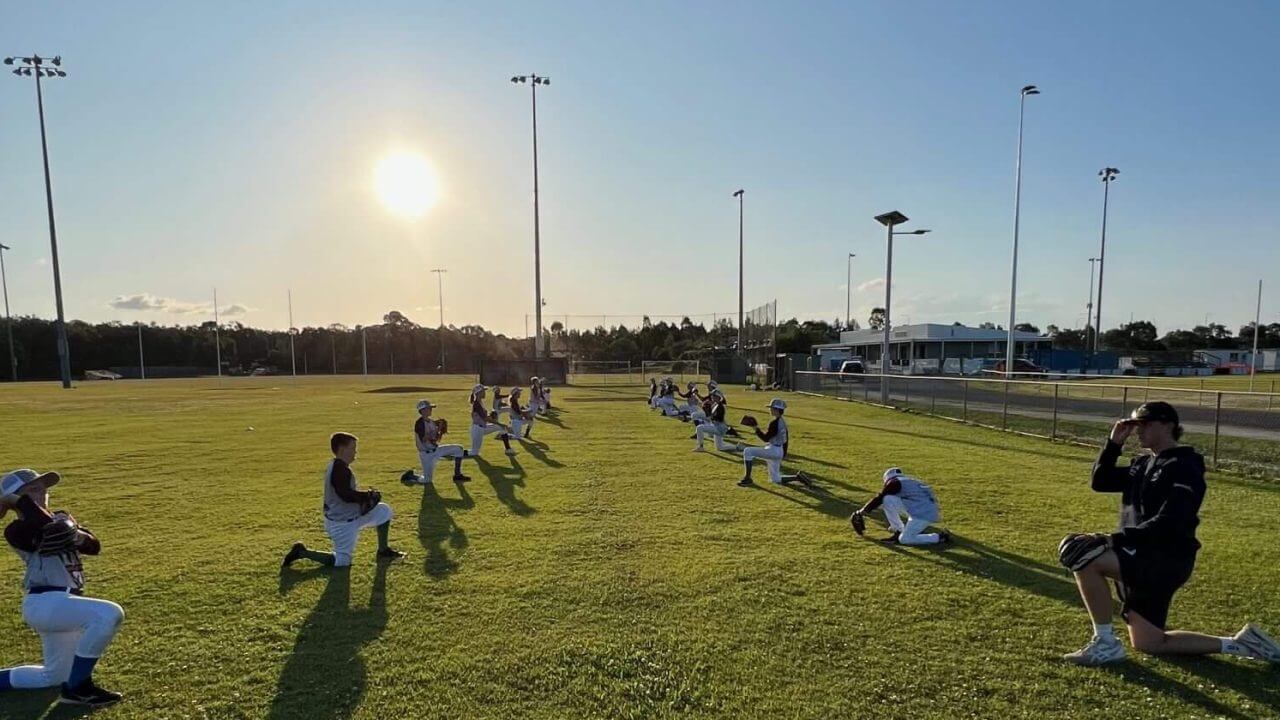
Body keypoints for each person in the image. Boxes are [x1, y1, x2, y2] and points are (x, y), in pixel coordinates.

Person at [1061, 401, 1280, 666]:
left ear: (1168, 425)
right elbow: (1101, 481)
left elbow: (1171, 520)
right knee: (1149, 642)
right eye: (1134, 425)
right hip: (1143, 553)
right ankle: (1240, 644)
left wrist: (1113, 539)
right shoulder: (1143, 464)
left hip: (1165, 559)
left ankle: (1105, 644)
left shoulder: (1184, 465)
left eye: (1144, 424)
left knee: (1085, 556)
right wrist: (1113, 444)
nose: (1137, 431)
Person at [1, 469, 125, 707]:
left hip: (64, 606)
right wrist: (16, 503)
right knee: (109, 614)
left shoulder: (58, 516)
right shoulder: (16, 529)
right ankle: (78, 687)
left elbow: (93, 546)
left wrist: (74, 532)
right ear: (15, 498)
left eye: (43, 487)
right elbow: (51, 529)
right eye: (32, 490)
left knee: (54, 676)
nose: (43, 492)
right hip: (45, 602)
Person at [282, 432, 405, 570]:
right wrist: (368, 496)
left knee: (383, 511)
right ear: (342, 449)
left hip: (347, 515)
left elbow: (345, 491)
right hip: (341, 522)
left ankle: (383, 551)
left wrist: (368, 497)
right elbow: (345, 495)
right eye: (352, 448)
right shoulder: (340, 469)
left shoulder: (337, 465)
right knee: (342, 562)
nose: (355, 451)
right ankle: (302, 552)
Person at [850, 468, 950, 545]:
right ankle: (898, 529)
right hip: (923, 508)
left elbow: (880, 497)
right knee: (888, 499)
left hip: (922, 514)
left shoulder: (894, 482)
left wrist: (862, 512)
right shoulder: (909, 481)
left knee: (904, 539)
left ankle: (939, 537)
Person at [405, 399, 469, 485]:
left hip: (436, 450)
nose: (431, 409)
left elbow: (436, 440)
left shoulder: (431, 422)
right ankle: (411, 476)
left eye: (430, 408)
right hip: (426, 454)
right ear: (422, 411)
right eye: (428, 408)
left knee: (459, 449)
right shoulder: (419, 423)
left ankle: (457, 475)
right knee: (427, 480)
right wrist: (437, 429)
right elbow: (424, 440)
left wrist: (439, 431)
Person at [737, 399, 795, 487]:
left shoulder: (774, 423)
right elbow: (785, 440)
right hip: (779, 450)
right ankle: (797, 477)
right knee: (775, 479)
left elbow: (765, 438)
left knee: (747, 451)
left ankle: (747, 478)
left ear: (777, 410)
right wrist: (783, 453)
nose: (770, 410)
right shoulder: (782, 422)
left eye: (772, 408)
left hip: (774, 450)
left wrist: (755, 428)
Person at [469, 385, 516, 457]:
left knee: (502, 428)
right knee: (474, 452)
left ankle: (508, 449)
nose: (485, 393)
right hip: (477, 429)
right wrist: (499, 423)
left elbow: (485, 418)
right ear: (479, 393)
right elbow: (485, 419)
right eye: (483, 391)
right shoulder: (477, 404)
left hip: (482, 427)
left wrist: (493, 418)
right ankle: (457, 453)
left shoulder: (480, 402)